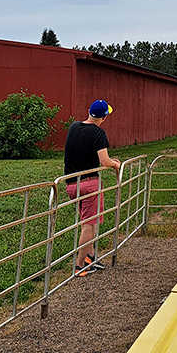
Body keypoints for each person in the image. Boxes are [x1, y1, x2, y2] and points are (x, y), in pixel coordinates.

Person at [64, 99, 120, 275]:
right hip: (90, 184)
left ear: (89, 111)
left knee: (90, 222)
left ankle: (90, 258)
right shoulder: (98, 133)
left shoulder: (74, 127)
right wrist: (115, 164)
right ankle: (80, 266)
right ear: (103, 117)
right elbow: (104, 161)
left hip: (72, 184)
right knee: (89, 225)